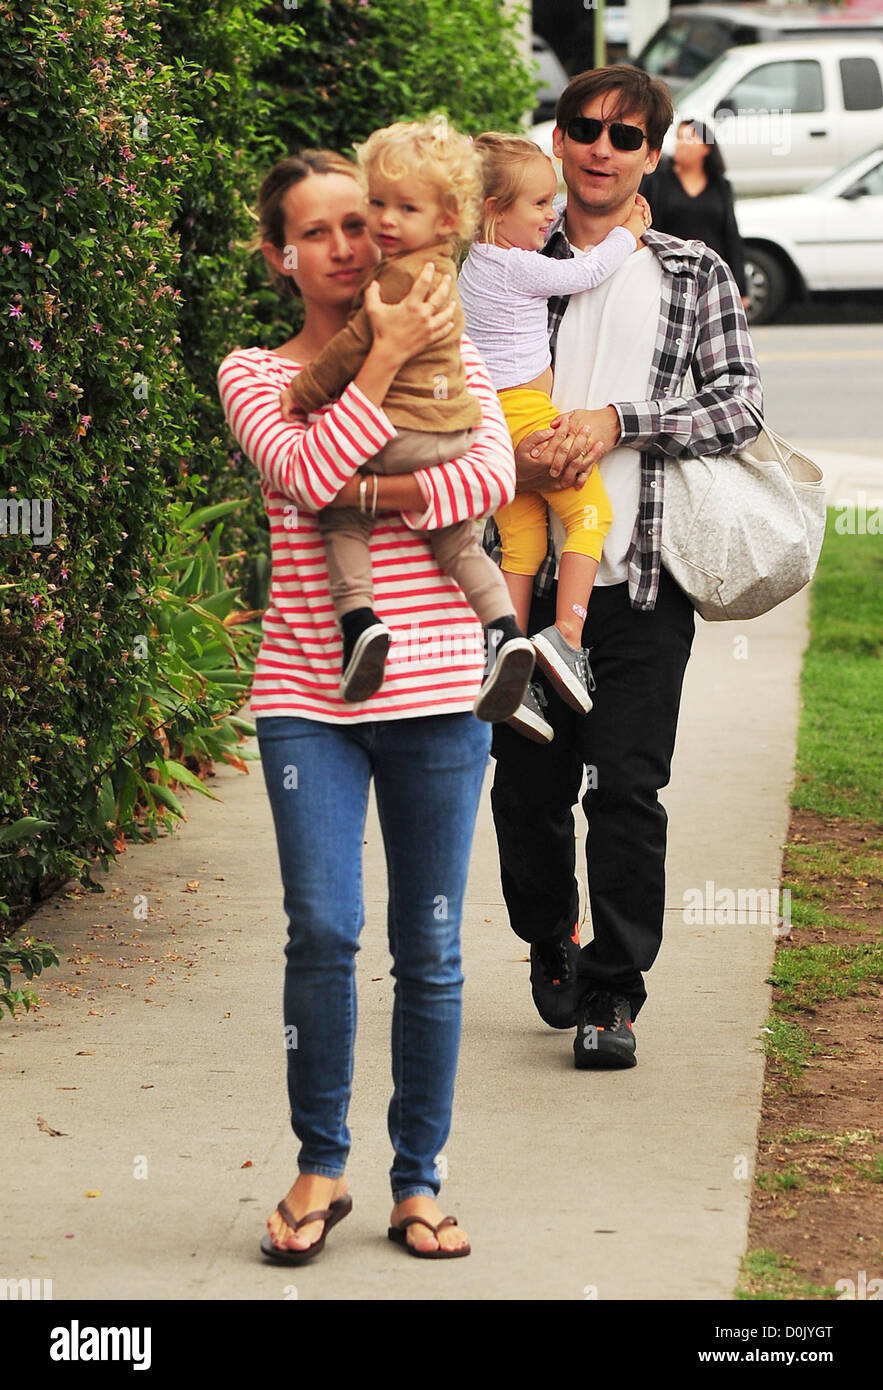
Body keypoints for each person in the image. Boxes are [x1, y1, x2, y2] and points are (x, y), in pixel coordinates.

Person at [217, 150, 588, 1260]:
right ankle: (319, 1164)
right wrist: (375, 366)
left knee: (430, 949)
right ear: (280, 255)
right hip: (306, 694)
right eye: (320, 231)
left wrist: (371, 475)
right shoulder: (255, 371)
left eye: (359, 223)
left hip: (435, 693)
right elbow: (296, 469)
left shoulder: (457, 350)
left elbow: (486, 480)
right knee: (324, 930)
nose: (349, 244)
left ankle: (417, 1178)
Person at [487, 66, 763, 1069]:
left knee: (626, 791)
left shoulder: (691, 271)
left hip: (643, 582)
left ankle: (613, 990)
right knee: (524, 788)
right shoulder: (508, 256)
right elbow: (455, 383)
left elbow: (738, 403)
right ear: (556, 141)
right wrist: (513, 447)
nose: (601, 146)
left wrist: (616, 423)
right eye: (583, 127)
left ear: (652, 154)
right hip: (517, 576)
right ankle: (548, 932)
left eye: (624, 134)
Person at [280, 121, 534, 719]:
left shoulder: (393, 279)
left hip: (398, 433)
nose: (384, 220)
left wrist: (306, 390)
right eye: (377, 203)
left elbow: (349, 349)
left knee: (342, 516)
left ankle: (361, 623)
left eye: (404, 208)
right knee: (460, 542)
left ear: (446, 219)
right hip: (451, 435)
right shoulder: (443, 267)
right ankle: (505, 630)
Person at [459, 132, 650, 740]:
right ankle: (567, 638)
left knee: (521, 545)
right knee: (590, 515)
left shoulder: (478, 257)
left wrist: (554, 206)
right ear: (494, 209)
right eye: (542, 205)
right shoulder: (518, 265)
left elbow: (533, 216)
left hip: (487, 419)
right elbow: (589, 269)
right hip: (523, 412)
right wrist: (629, 233)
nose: (553, 213)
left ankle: (503, 665)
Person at [640, 118, 750, 309]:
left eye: (690, 138)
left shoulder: (720, 186)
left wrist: (741, 289)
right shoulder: (657, 181)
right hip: (668, 275)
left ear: (706, 148)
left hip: (709, 277)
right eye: (679, 137)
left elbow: (731, 235)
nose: (682, 143)